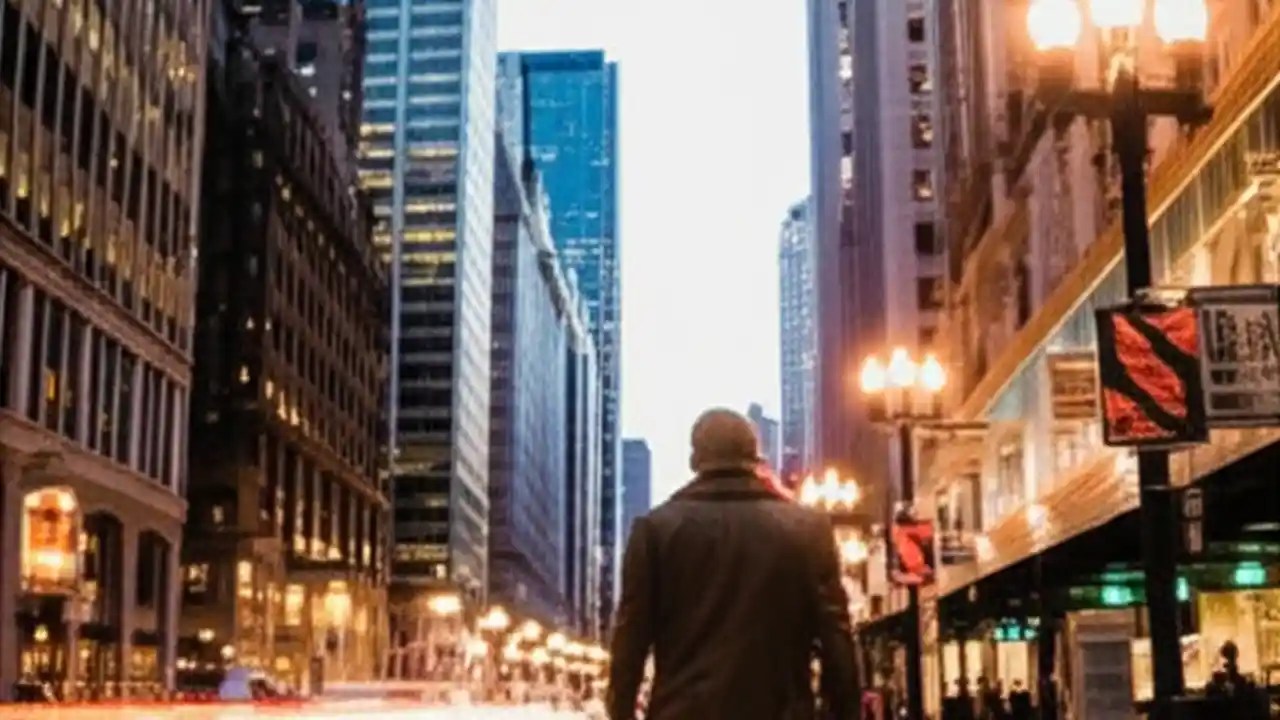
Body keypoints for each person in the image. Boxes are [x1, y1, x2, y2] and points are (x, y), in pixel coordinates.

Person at [607, 408, 861, 720]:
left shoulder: (654, 531)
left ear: (695, 460)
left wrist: (621, 713)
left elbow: (629, 647)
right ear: (756, 458)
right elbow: (838, 641)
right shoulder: (808, 531)